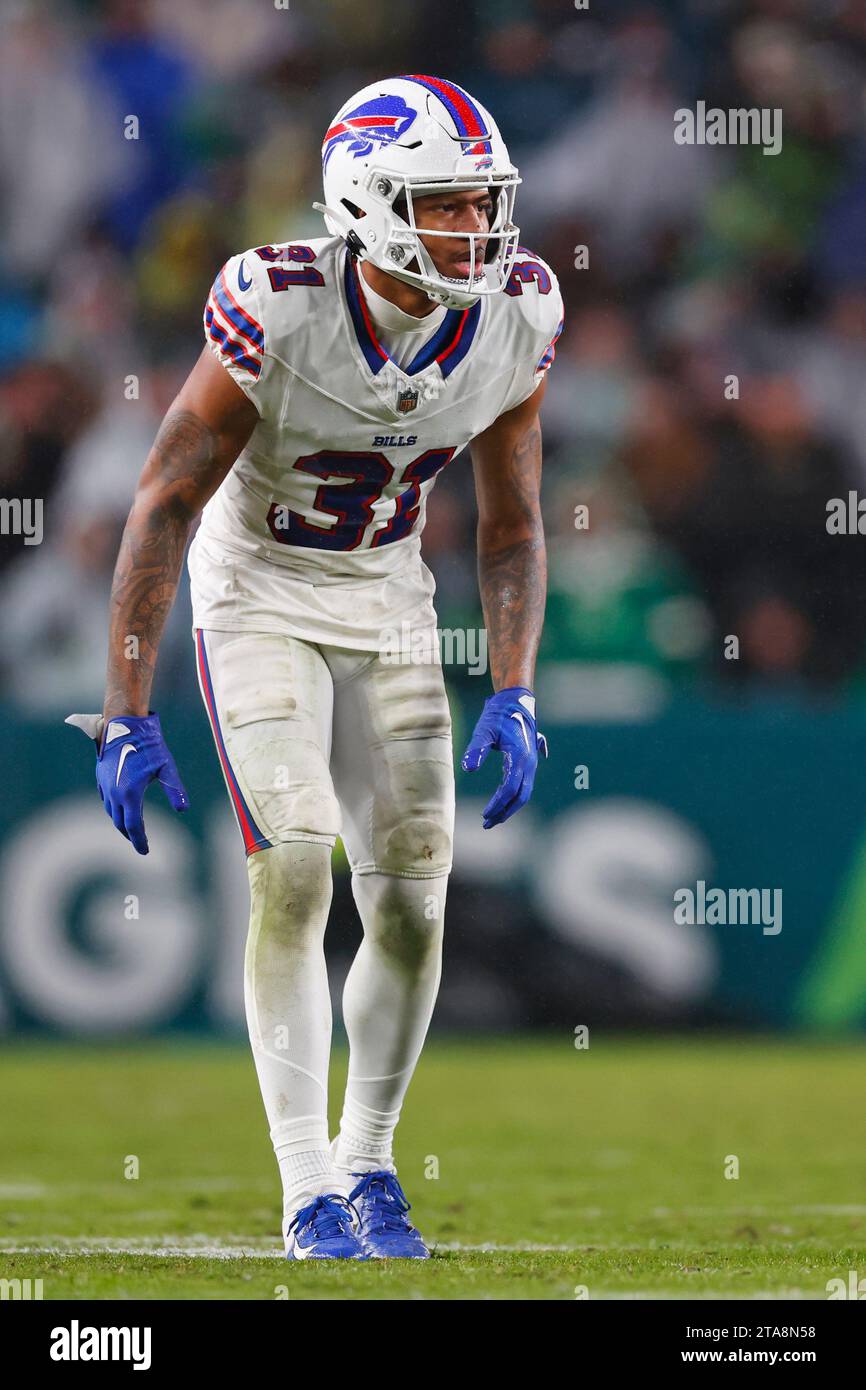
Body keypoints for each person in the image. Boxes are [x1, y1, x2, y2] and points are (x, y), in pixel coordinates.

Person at [68, 75, 563, 1260]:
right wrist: (125, 707)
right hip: (255, 594)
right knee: (291, 872)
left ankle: (370, 1164)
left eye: (479, 202)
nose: (473, 230)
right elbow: (164, 499)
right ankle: (305, 1189)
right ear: (368, 202)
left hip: (387, 598)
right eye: (444, 205)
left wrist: (513, 683)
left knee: (411, 898)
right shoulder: (276, 303)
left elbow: (511, 524)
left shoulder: (515, 312)